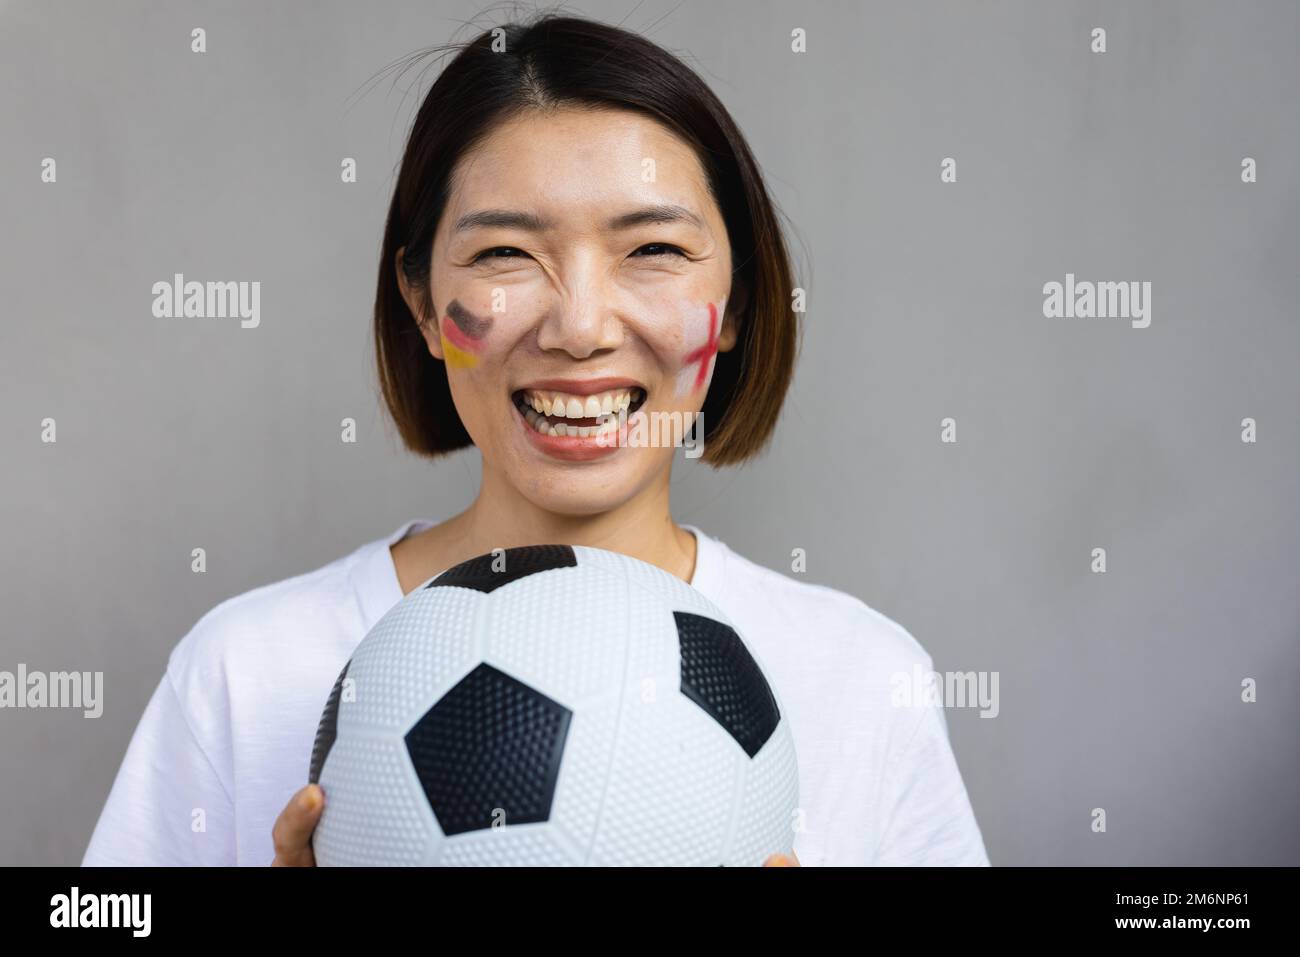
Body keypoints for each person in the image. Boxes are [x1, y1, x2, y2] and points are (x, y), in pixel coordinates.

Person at [82, 14, 988, 867]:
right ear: (422, 302)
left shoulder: (866, 680)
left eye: (655, 250)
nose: (582, 326)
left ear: (741, 302)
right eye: (506, 253)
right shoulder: (246, 669)